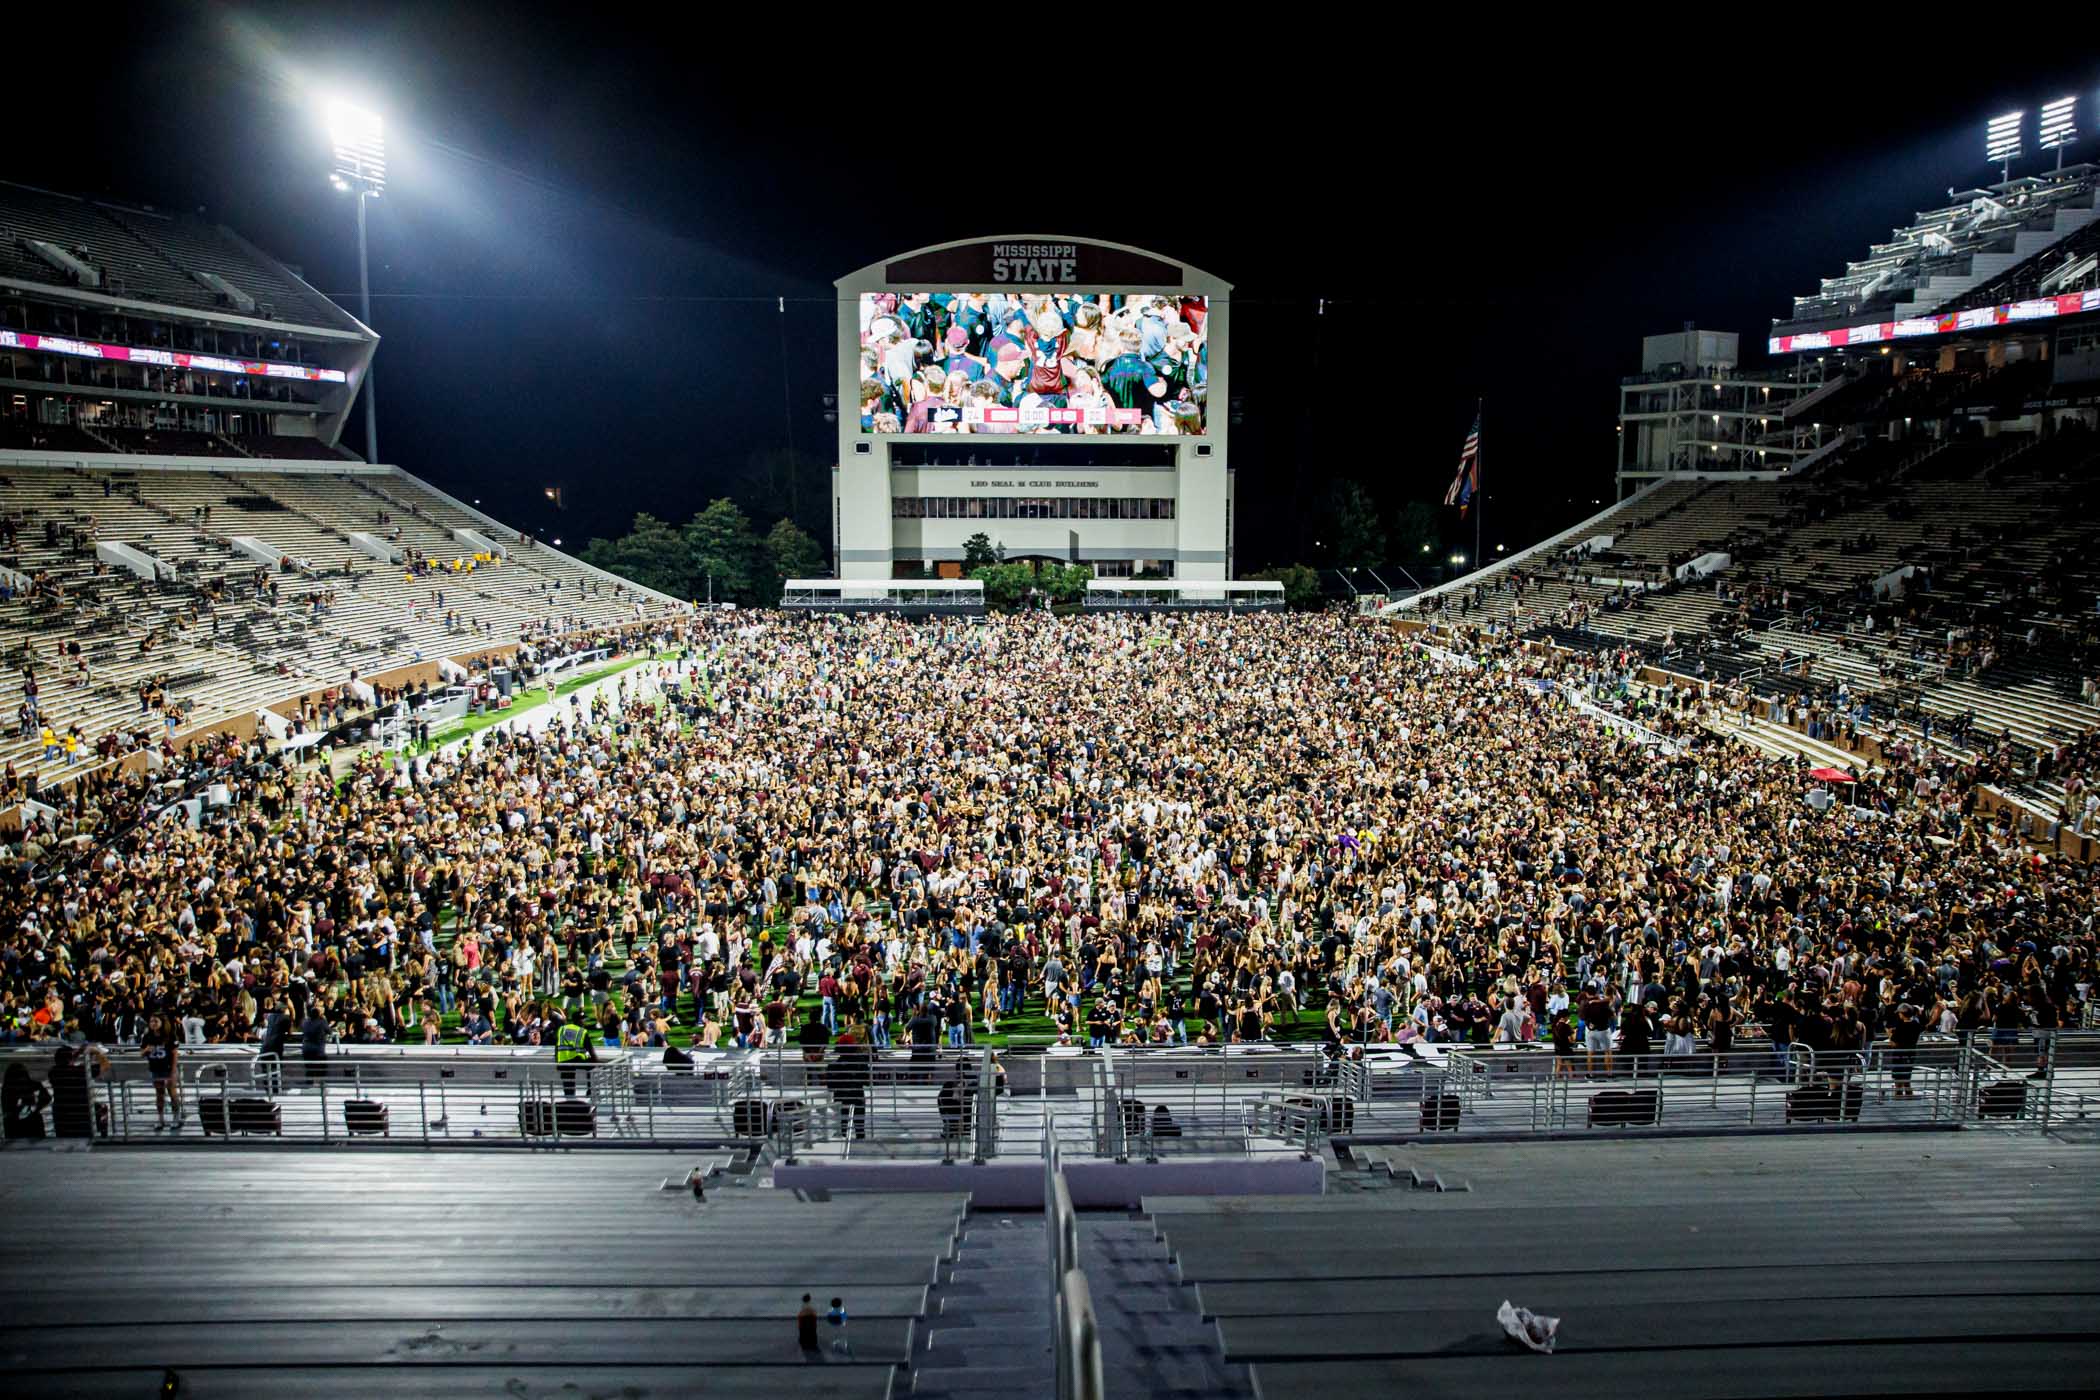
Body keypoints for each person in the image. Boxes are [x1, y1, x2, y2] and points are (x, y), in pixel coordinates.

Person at [142, 1012, 182, 1130]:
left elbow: (175, 1054)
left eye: (156, 1021)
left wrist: (173, 1072)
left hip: (169, 1068)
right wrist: (146, 1050)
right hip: (155, 1069)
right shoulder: (147, 1036)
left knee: (172, 1093)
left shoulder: (170, 1036)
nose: (153, 1024)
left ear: (162, 1023)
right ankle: (160, 1119)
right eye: (151, 1021)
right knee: (159, 1094)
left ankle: (176, 1117)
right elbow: (141, 1053)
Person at [555, 1008, 597, 1096]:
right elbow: (591, 1050)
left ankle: (569, 1097)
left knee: (568, 1086)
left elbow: (557, 1046)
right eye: (583, 1020)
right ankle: (590, 1090)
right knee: (592, 1066)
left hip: (564, 1060)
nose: (584, 1022)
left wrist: (557, 1062)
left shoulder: (562, 1029)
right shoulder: (582, 1032)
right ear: (578, 1020)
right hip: (576, 1059)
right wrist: (596, 1062)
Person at [4, 1062, 52, 1139]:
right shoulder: (31, 1085)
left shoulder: (8, 1088)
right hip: (29, 1123)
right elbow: (47, 1098)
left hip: (16, 1124)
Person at [797, 1294, 821, 1362]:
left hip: (804, 1318)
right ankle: (812, 1342)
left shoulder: (802, 1305)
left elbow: (801, 1313)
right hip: (811, 1318)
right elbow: (814, 1312)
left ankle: (804, 1342)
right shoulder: (811, 1305)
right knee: (811, 1331)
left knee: (803, 1331)